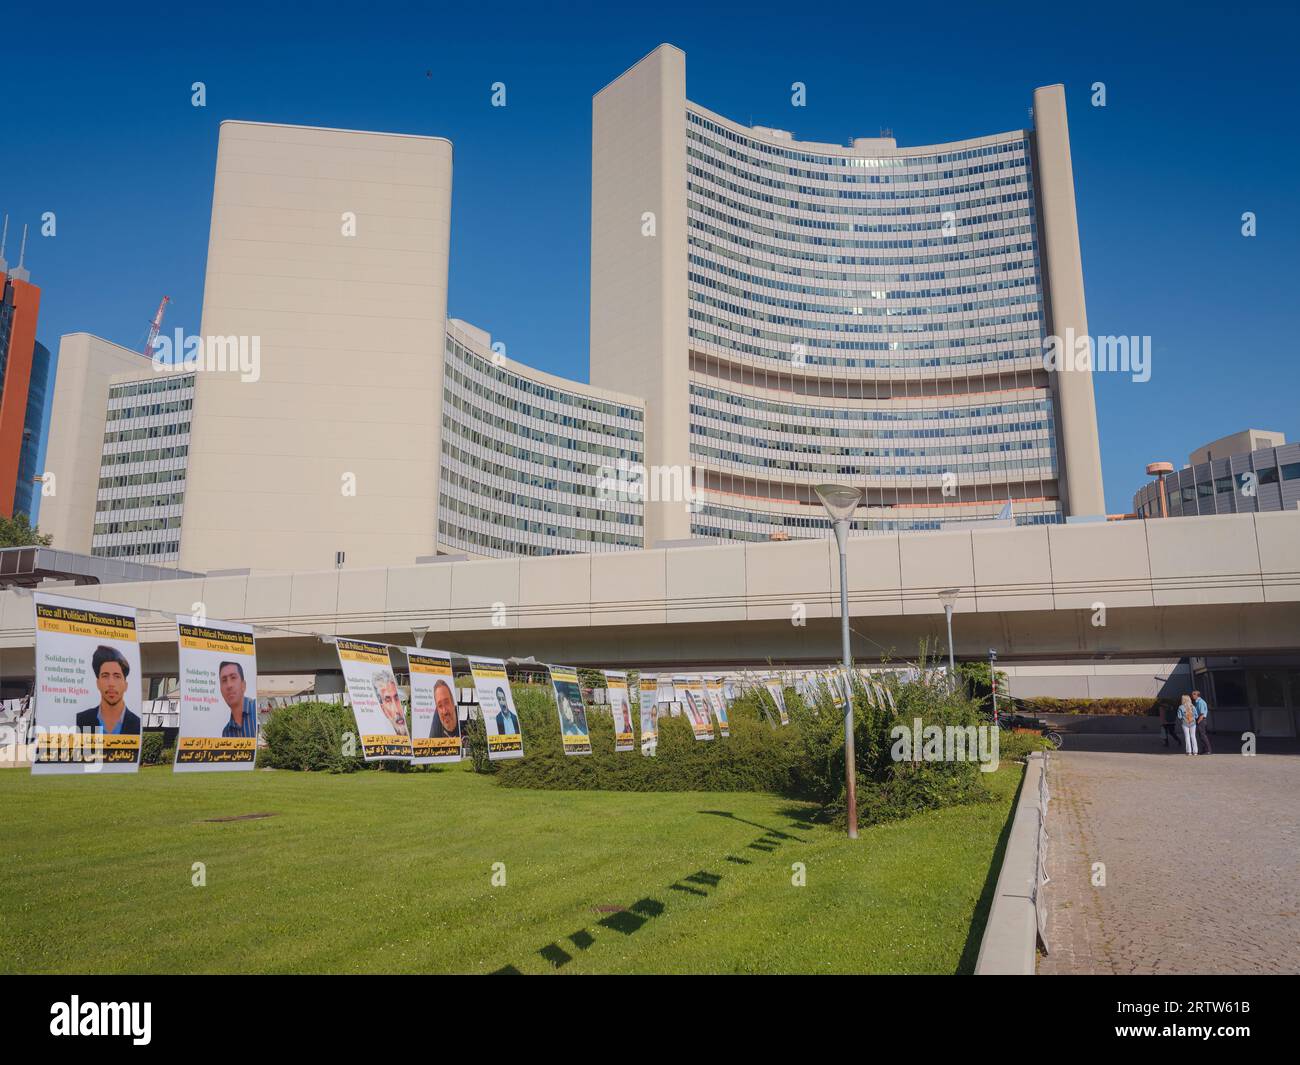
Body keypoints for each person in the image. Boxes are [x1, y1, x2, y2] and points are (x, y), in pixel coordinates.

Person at [75, 645, 140, 735]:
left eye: (117, 676)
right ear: (98, 683)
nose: (111, 683)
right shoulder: (80, 720)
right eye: (105, 676)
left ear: (125, 685)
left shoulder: (138, 725)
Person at [218, 661, 258, 738]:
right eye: (224, 680)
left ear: (243, 685)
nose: (229, 685)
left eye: (233, 677)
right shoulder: (226, 733)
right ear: (220, 689)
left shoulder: (256, 710)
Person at [1192, 689, 1213, 755]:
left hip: (1201, 720)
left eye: (1193, 694)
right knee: (1201, 736)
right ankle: (1204, 749)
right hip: (1200, 719)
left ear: (1196, 695)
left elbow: (1202, 713)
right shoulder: (1197, 702)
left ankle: (1208, 750)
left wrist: (1198, 722)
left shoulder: (1200, 702)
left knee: (1203, 735)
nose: (1192, 696)